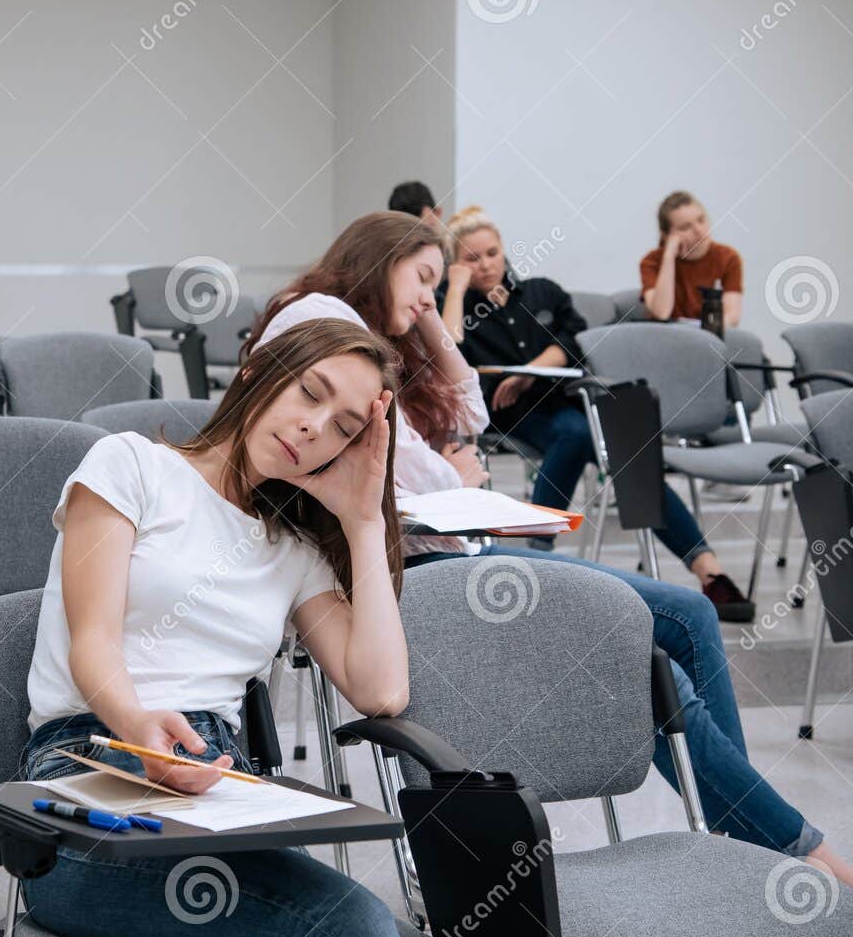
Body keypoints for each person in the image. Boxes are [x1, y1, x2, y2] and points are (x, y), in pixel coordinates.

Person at [249, 212, 853, 887]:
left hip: (448, 547)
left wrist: (429, 322)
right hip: (407, 568)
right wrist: (455, 473)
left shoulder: (378, 335)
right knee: (646, 660)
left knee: (688, 615)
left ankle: (745, 835)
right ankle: (783, 848)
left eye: (435, 283)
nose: (427, 296)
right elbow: (422, 474)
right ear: (377, 258)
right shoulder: (323, 316)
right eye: (420, 278)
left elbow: (471, 417)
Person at [22, 318, 408, 937]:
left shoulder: (295, 549)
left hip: (218, 778)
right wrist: (136, 725)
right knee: (351, 935)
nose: (315, 427)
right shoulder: (131, 464)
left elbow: (381, 691)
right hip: (89, 772)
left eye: (343, 429)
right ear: (256, 373)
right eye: (310, 392)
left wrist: (364, 522)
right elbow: (91, 640)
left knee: (354, 932)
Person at [441, 206, 756, 619]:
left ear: (504, 251)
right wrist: (454, 287)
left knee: (625, 453)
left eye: (492, 253)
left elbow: (574, 337)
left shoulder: (541, 291)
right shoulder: (455, 306)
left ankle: (539, 554)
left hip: (567, 400)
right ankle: (708, 571)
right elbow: (448, 351)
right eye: (471, 259)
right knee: (594, 440)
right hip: (511, 414)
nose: (485, 265)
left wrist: (529, 372)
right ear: (455, 264)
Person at [639, 190, 742, 325]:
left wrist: (706, 329)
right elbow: (661, 313)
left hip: (708, 333)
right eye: (685, 227)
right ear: (666, 236)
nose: (699, 231)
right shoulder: (651, 261)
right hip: (666, 334)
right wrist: (669, 257)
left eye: (701, 220)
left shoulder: (728, 258)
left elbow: (732, 316)